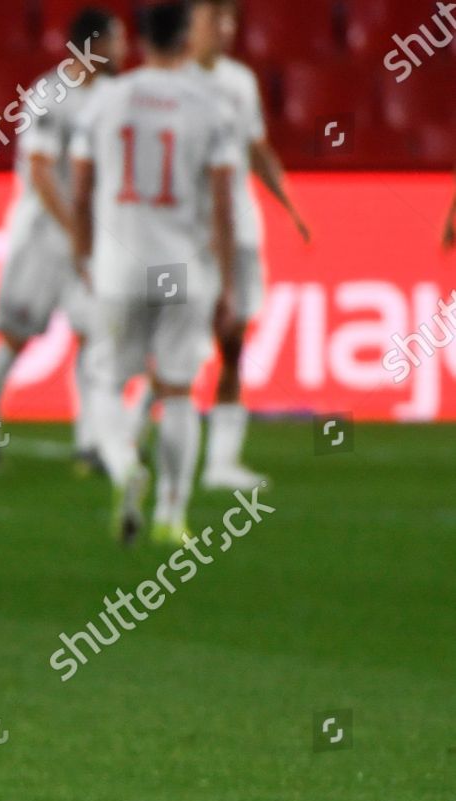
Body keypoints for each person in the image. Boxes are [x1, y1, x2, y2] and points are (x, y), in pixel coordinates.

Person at [73, 1, 238, 545]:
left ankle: (124, 468)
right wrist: (229, 281)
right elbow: (221, 203)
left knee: (105, 378)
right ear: (188, 37)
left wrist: (83, 251)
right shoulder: (210, 106)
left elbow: (81, 185)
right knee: (177, 391)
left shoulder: (106, 101)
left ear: (141, 39)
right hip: (181, 266)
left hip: (121, 262)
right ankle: (172, 514)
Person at [0, 7, 126, 475]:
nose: (123, 51)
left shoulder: (116, 94)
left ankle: (90, 443)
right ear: (93, 46)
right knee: (15, 335)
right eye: (115, 42)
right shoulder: (51, 94)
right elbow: (40, 170)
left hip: (91, 238)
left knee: (93, 335)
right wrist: (76, 231)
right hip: (43, 235)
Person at [188, 0, 310, 490]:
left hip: (238, 228)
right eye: (214, 18)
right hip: (188, 232)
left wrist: (290, 205)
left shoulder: (241, 82)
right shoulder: (170, 83)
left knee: (233, 339)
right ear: (190, 25)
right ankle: (126, 439)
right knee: (179, 345)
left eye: (231, 19)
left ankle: (221, 462)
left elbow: (256, 148)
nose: (225, 28)